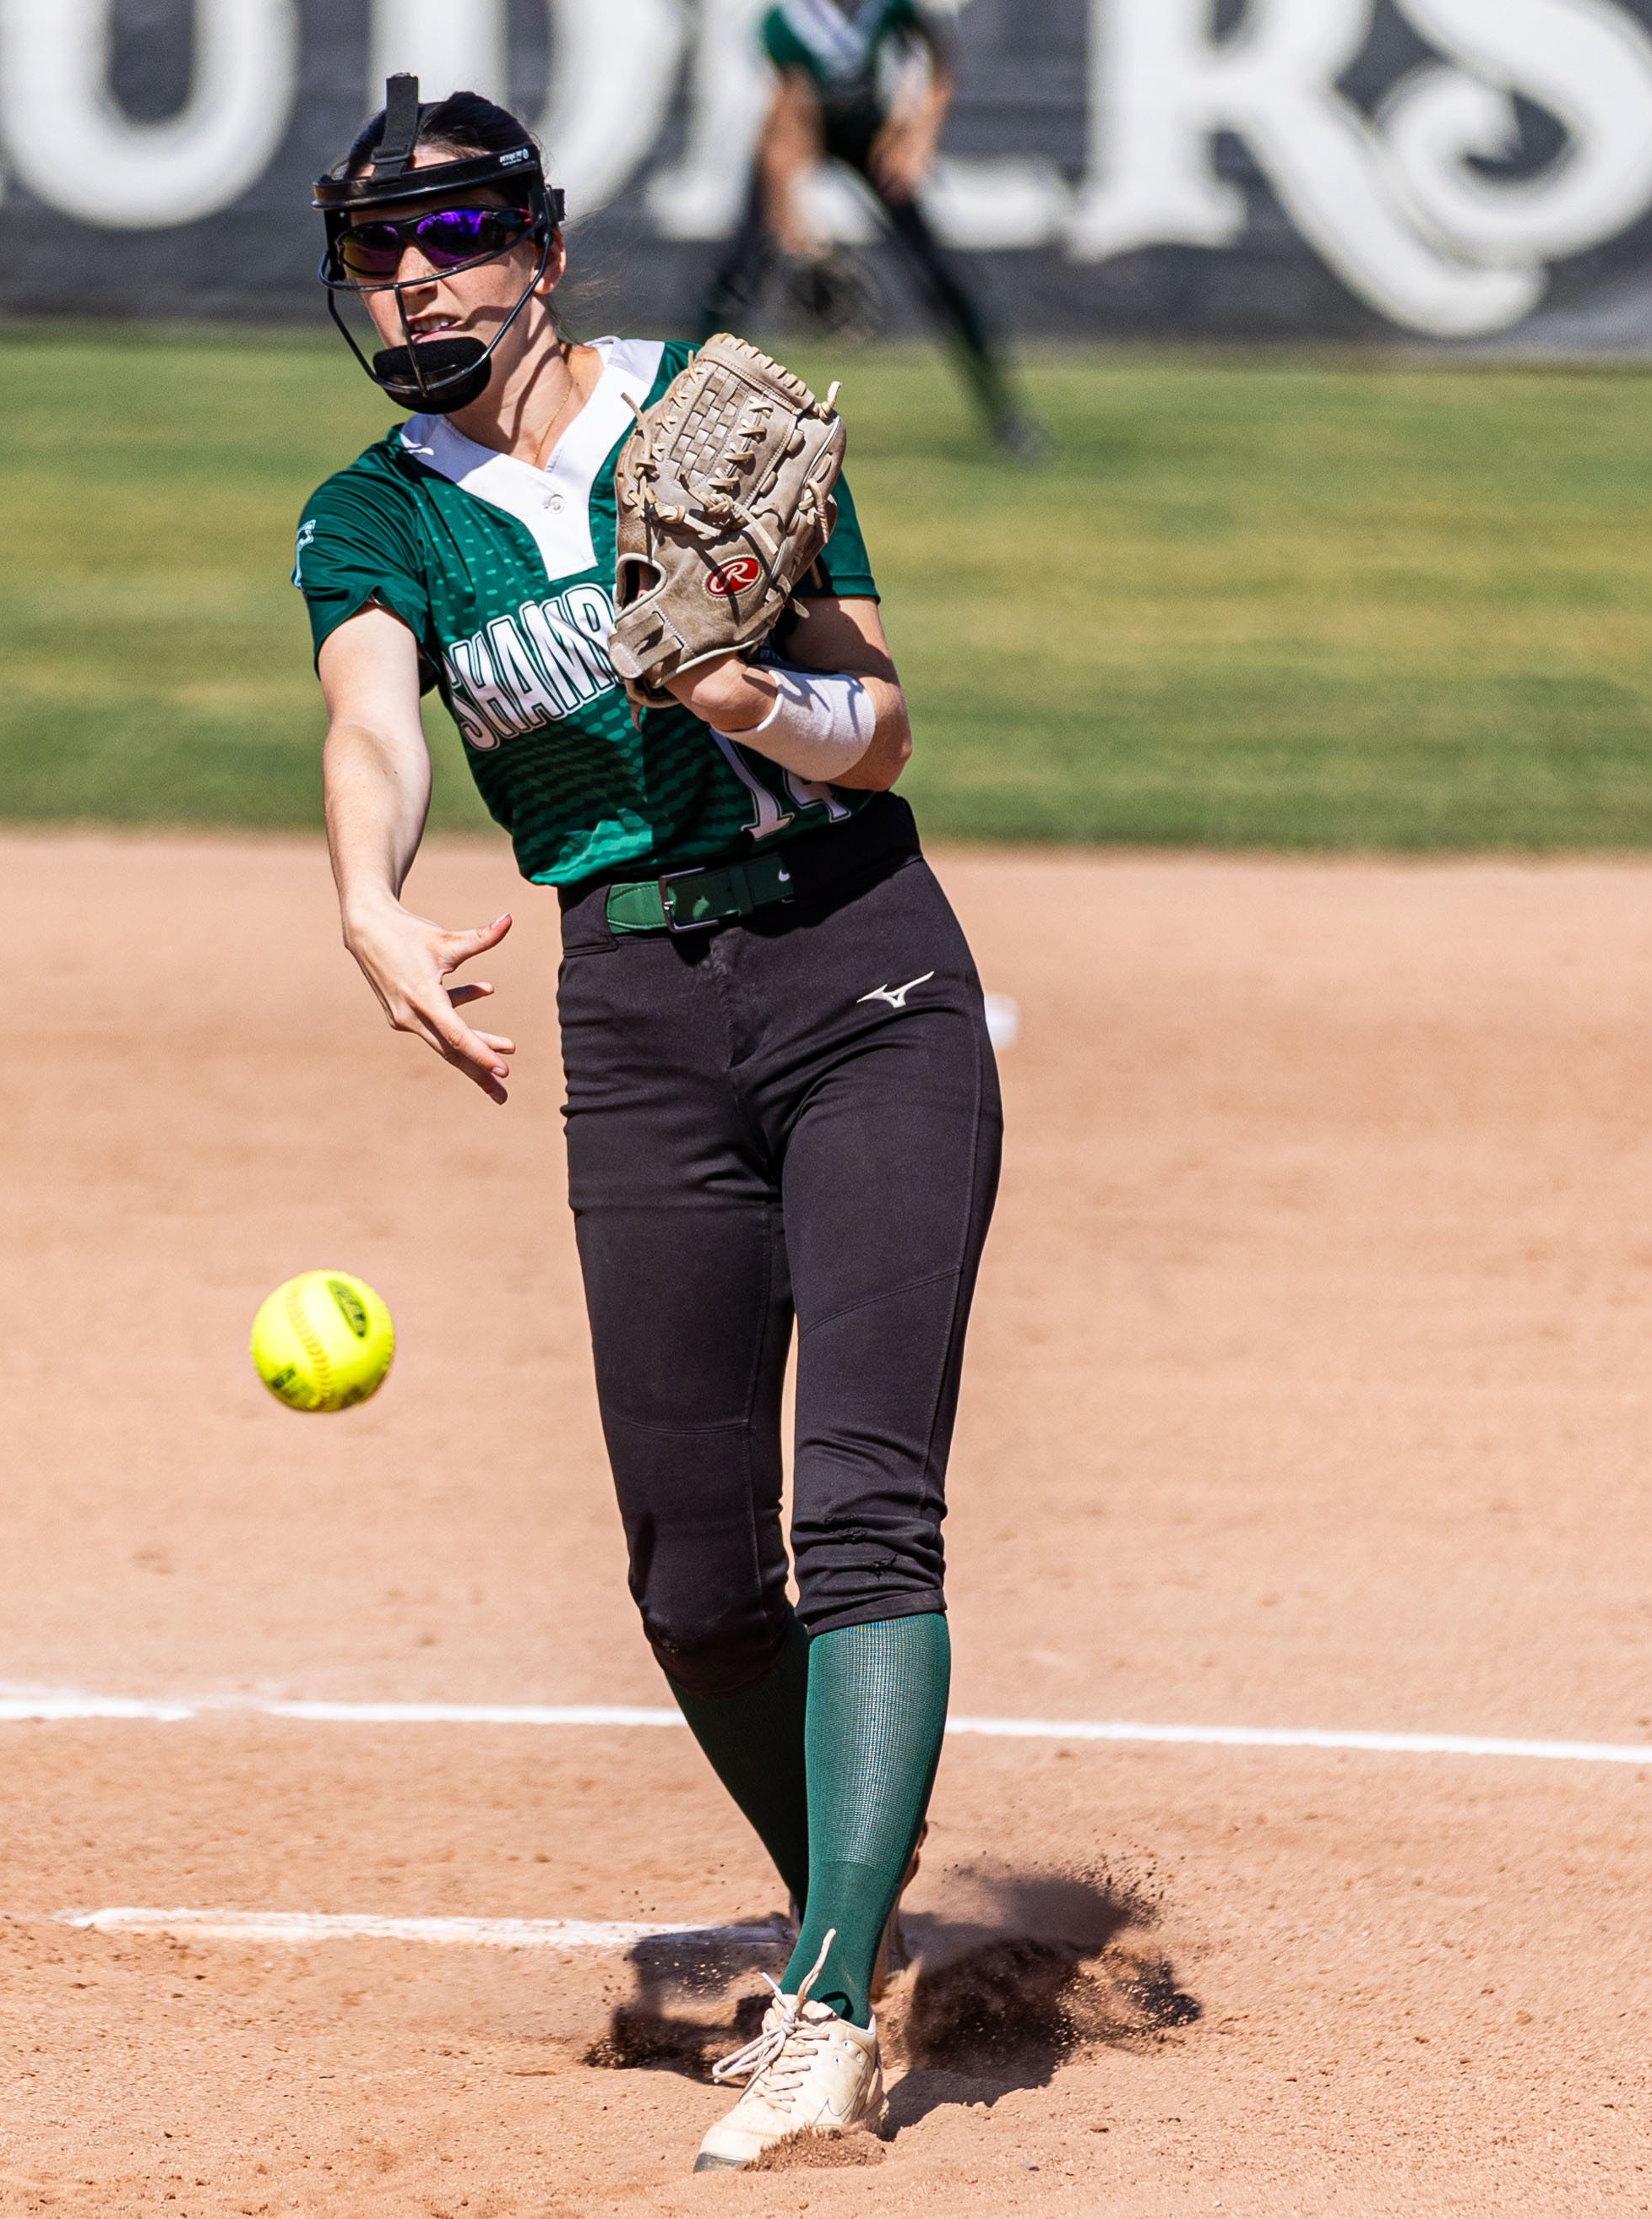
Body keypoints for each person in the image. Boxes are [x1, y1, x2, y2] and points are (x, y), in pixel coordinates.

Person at [295, 77, 1003, 2173]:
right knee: (695, 1577)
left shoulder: (718, 421)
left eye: (458, 234)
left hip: (861, 982)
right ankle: (856, 1921)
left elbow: (875, 726)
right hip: (635, 1017)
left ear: (546, 243)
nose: (419, 276)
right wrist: (362, 894)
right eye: (379, 247)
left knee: (864, 1507)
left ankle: (818, 2005)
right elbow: (366, 717)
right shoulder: (378, 510)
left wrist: (743, 695)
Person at [695, 0, 1041, 458]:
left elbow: (937, 55)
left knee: (941, 274)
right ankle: (687, 414)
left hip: (867, 134)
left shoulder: (886, 8)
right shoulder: (786, 25)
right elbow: (788, 126)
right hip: (800, 132)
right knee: (736, 279)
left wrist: (918, 133)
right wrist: (792, 220)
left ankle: (1006, 414)